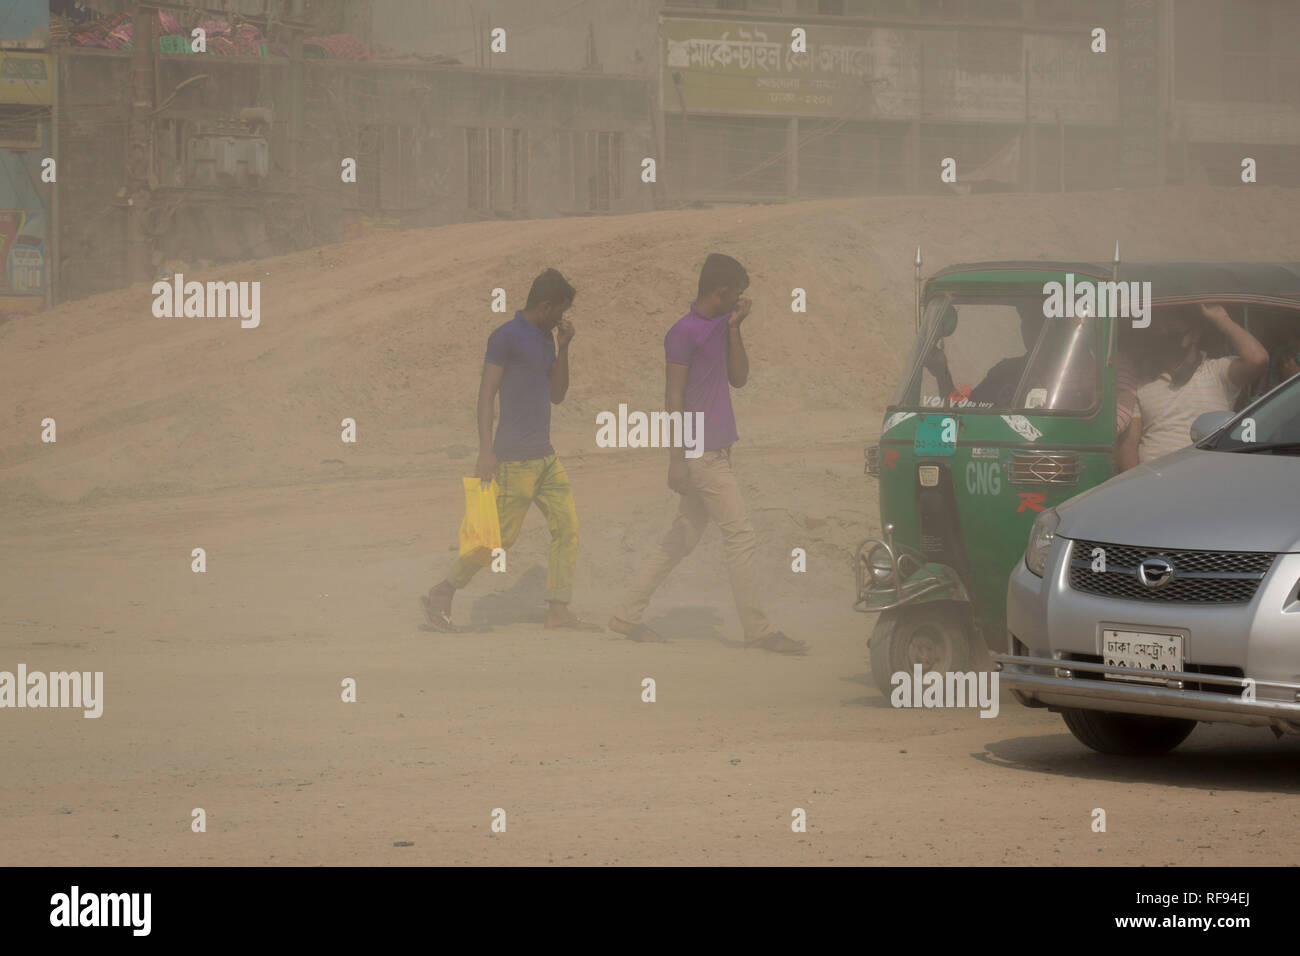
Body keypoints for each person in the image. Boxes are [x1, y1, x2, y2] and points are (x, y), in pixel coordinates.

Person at [608, 253, 807, 655]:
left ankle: (626, 614)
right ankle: (759, 630)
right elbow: (674, 397)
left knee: (681, 538)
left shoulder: (722, 326)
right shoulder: (681, 333)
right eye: (737, 293)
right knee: (740, 534)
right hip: (701, 454)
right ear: (721, 291)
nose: (740, 299)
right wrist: (676, 458)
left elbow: (740, 378)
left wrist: (735, 329)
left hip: (715, 452)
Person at [421, 268, 601, 633]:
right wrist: (486, 451)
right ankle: (442, 591)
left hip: (545, 457)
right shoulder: (505, 337)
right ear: (545, 304)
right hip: (514, 460)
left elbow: (557, 395)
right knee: (498, 539)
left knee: (568, 527)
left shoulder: (547, 338)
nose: (562, 318)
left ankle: (557, 609)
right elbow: (487, 393)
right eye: (560, 310)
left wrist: (565, 349)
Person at [1117, 303, 1269, 469]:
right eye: (1161, 327)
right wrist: (1138, 488)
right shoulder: (1143, 382)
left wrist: (1221, 318)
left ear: (1195, 334)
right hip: (1152, 482)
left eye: (1173, 324)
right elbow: (1129, 445)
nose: (1166, 331)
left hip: (1202, 478)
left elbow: (1258, 359)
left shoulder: (1217, 371)